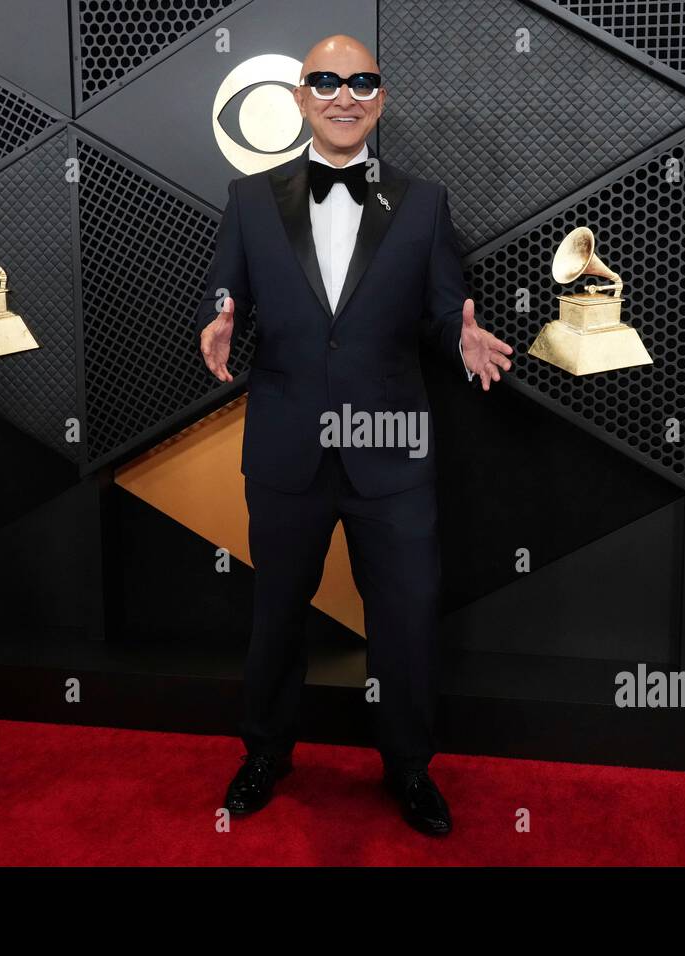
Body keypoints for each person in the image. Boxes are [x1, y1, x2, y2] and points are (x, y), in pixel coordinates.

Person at [193, 34, 513, 835]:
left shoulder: (425, 203)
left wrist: (461, 338)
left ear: (379, 98)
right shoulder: (249, 198)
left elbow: (445, 311)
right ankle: (265, 752)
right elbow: (224, 288)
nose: (344, 93)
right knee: (277, 615)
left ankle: (409, 769)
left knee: (405, 619)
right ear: (300, 98)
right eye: (326, 80)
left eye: (361, 80)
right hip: (285, 448)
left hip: (391, 452)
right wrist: (219, 316)